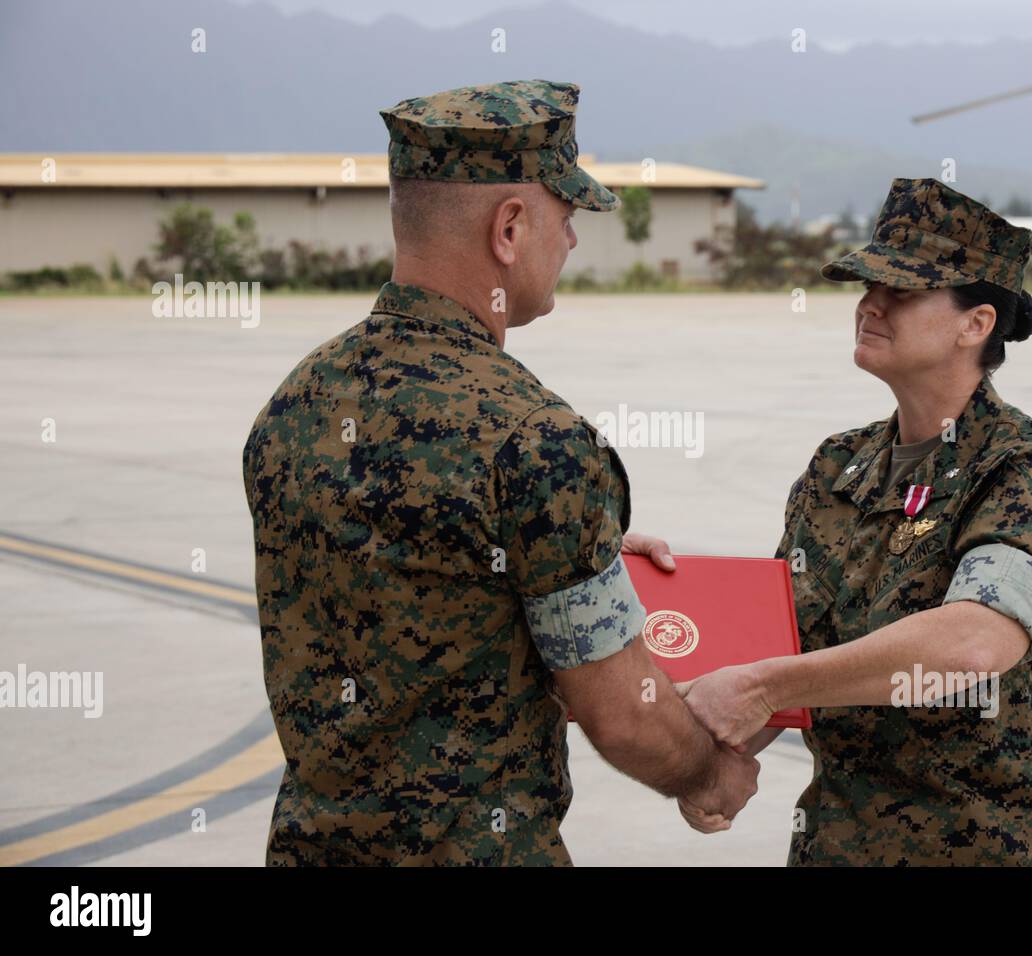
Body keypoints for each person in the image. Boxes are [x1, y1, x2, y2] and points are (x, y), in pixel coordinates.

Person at [241, 79, 757, 866]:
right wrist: (706, 771)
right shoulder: (535, 439)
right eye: (568, 217)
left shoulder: (296, 403)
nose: (574, 242)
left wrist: (563, 558)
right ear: (510, 227)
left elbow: (413, 584)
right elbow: (621, 713)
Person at [677, 178, 1032, 866]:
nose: (871, 303)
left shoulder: (1025, 470)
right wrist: (717, 758)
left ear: (977, 324)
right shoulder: (838, 467)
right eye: (867, 285)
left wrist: (759, 690)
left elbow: (971, 645)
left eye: (902, 289)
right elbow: (784, 638)